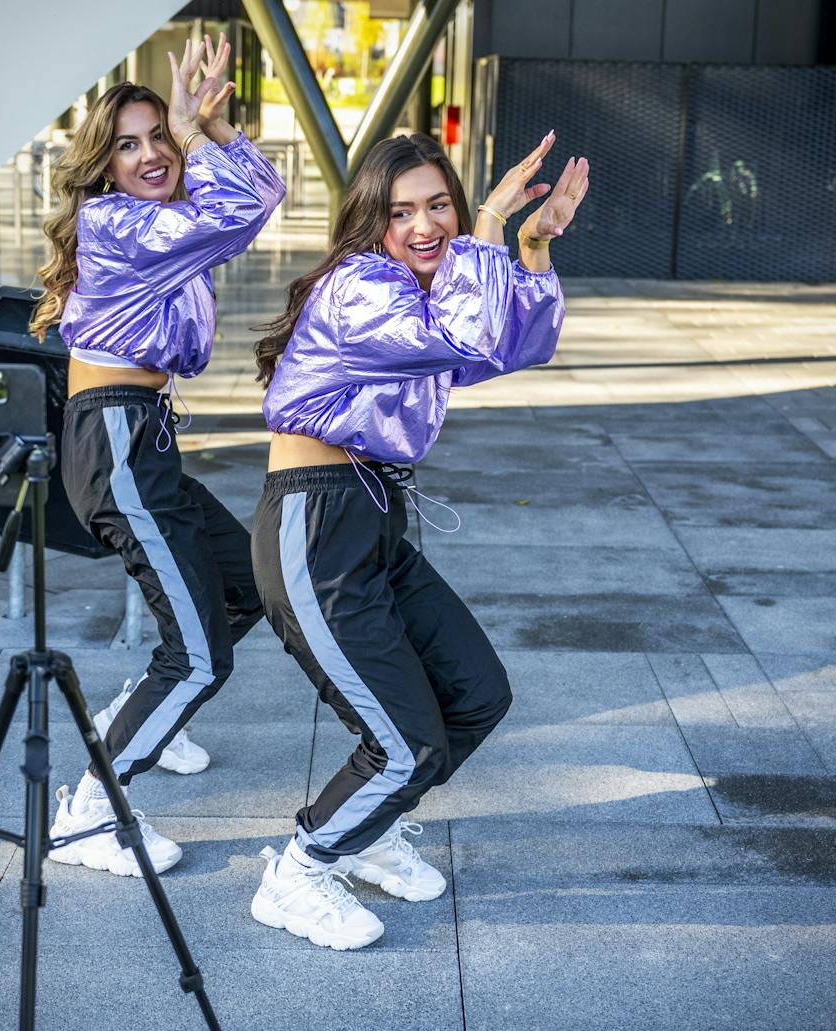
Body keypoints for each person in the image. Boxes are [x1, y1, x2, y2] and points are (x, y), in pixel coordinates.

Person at [246, 131, 588, 948]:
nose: (425, 225)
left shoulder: (426, 295)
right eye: (401, 212)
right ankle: (299, 870)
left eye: (440, 205)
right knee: (403, 743)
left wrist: (532, 248)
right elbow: (467, 334)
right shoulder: (362, 285)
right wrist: (493, 222)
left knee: (476, 693)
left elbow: (515, 343)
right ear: (371, 221)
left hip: (370, 519)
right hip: (314, 523)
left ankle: (366, 833)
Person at [27, 34, 284, 877]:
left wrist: (209, 126)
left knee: (244, 585)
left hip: (142, 439)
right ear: (102, 166)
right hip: (116, 443)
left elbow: (255, 198)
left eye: (157, 139)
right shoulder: (119, 224)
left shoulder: (161, 228)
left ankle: (141, 715)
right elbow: (238, 211)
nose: (148, 155)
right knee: (202, 652)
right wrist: (194, 133)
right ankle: (93, 812)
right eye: (128, 143)